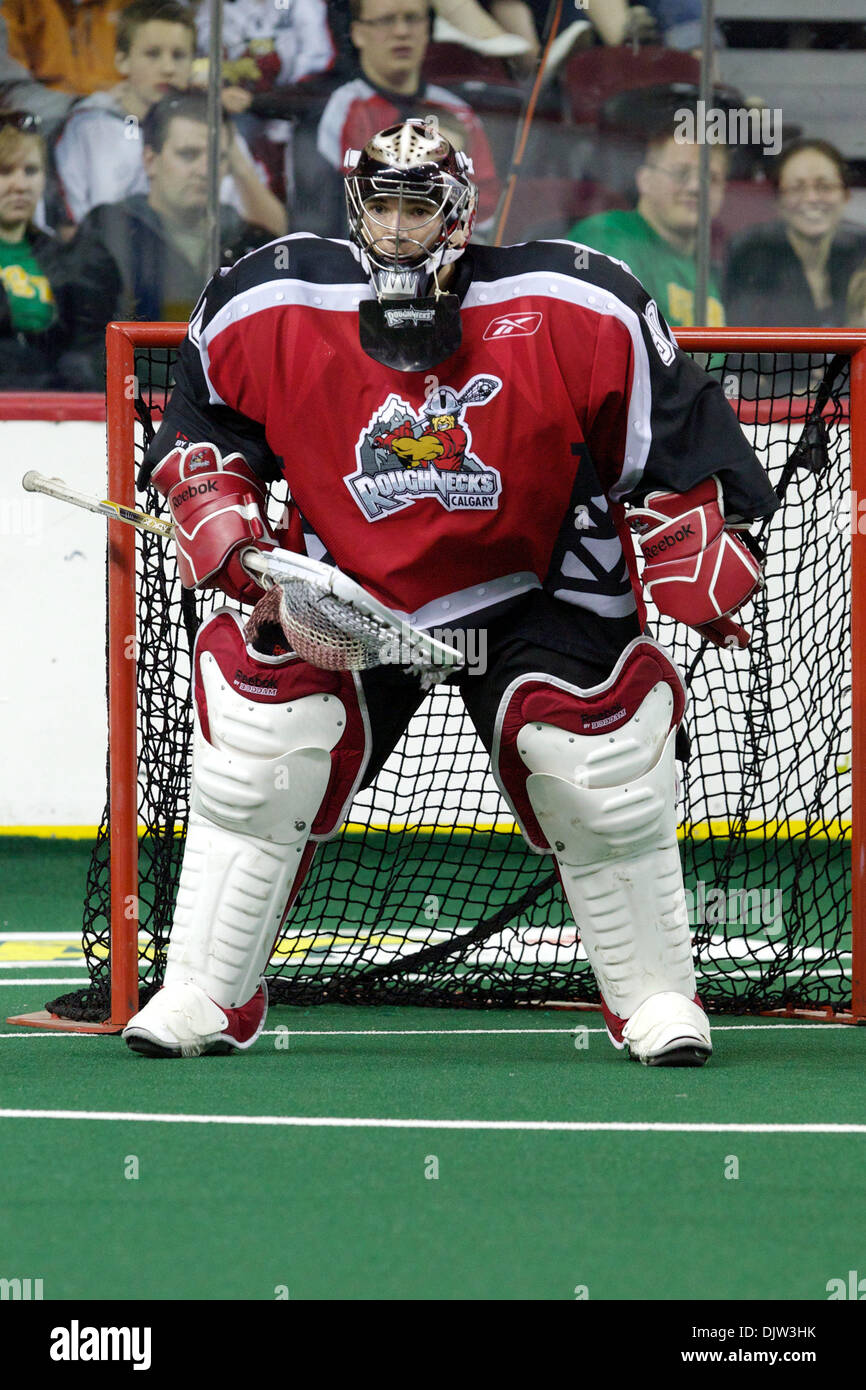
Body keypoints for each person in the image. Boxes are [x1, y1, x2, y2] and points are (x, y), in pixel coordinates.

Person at [120, 118, 778, 1067]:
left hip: (535, 583)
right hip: (345, 592)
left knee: (594, 768)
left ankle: (656, 996)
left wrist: (699, 545)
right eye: (379, 202)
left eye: (416, 205)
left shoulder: (572, 302)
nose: (395, 226)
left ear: (462, 212)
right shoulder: (270, 298)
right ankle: (206, 993)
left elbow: (680, 448)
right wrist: (217, 514)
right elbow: (202, 431)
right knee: (264, 748)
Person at [54, 0, 287, 237]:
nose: (168, 68)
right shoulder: (89, 129)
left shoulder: (213, 130)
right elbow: (69, 233)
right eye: (152, 54)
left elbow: (274, 231)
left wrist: (233, 157)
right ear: (122, 60)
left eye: (179, 55)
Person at [71, 91, 271, 322]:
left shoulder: (247, 243)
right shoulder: (110, 230)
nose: (205, 171)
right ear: (150, 161)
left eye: (218, 157)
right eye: (188, 154)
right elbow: (86, 341)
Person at [314, 0, 499, 232]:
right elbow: (342, 206)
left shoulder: (457, 112)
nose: (401, 32)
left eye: (412, 19)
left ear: (427, 30)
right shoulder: (341, 107)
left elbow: (485, 218)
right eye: (386, 20)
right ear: (358, 33)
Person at [0, 109, 118, 387]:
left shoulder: (66, 257)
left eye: (31, 171)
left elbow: (86, 346)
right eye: (5, 171)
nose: (20, 185)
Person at [568, 129, 729, 327]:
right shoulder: (604, 237)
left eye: (711, 178)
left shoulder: (715, 267)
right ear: (645, 180)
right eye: (681, 174)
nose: (695, 187)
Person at [724, 139, 866, 328]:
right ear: (778, 201)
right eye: (797, 188)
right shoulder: (750, 260)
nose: (811, 198)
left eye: (824, 187)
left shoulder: (860, 256)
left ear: (846, 195)